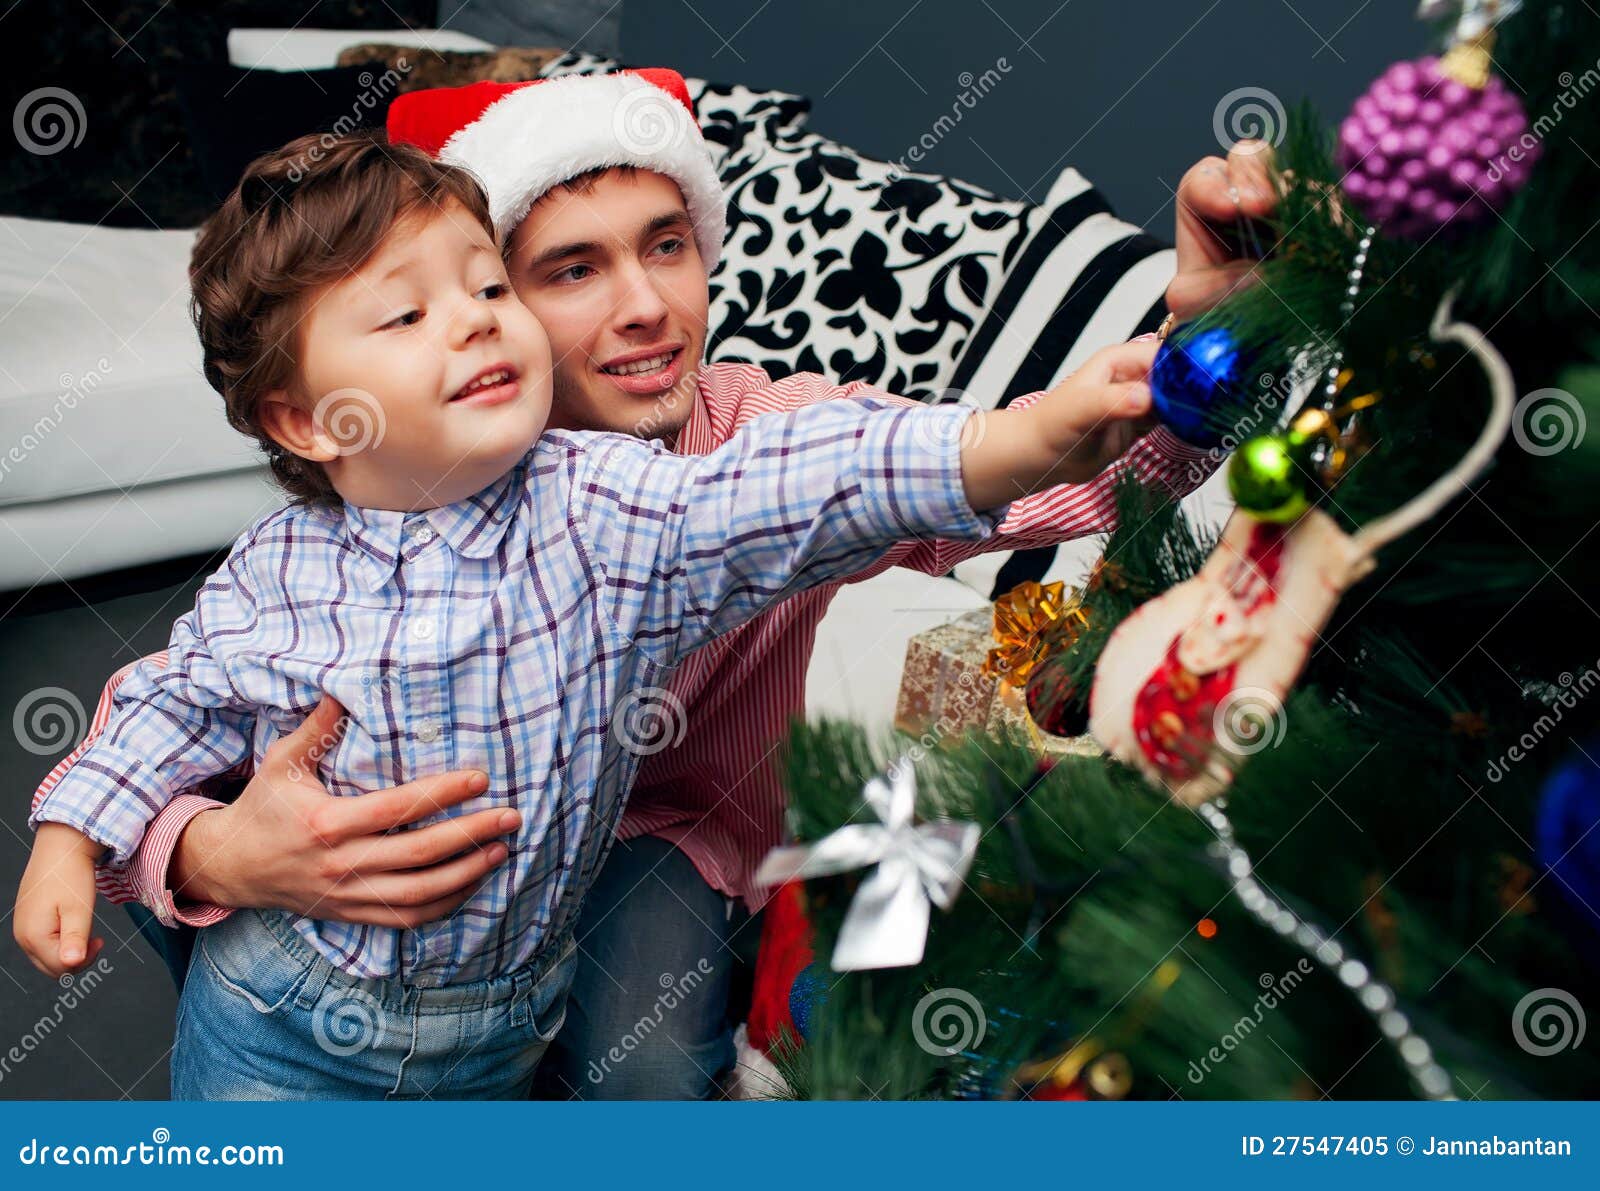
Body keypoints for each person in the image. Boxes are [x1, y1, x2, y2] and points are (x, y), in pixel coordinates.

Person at [25, 67, 1275, 1098]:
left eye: (667, 247)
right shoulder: (365, 500)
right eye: (570, 270)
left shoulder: (742, 447)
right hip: (367, 933)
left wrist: (1192, 356)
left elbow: (1026, 480)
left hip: (651, 844)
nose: (645, 309)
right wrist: (217, 856)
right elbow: (173, 696)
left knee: (646, 1075)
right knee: (194, 875)